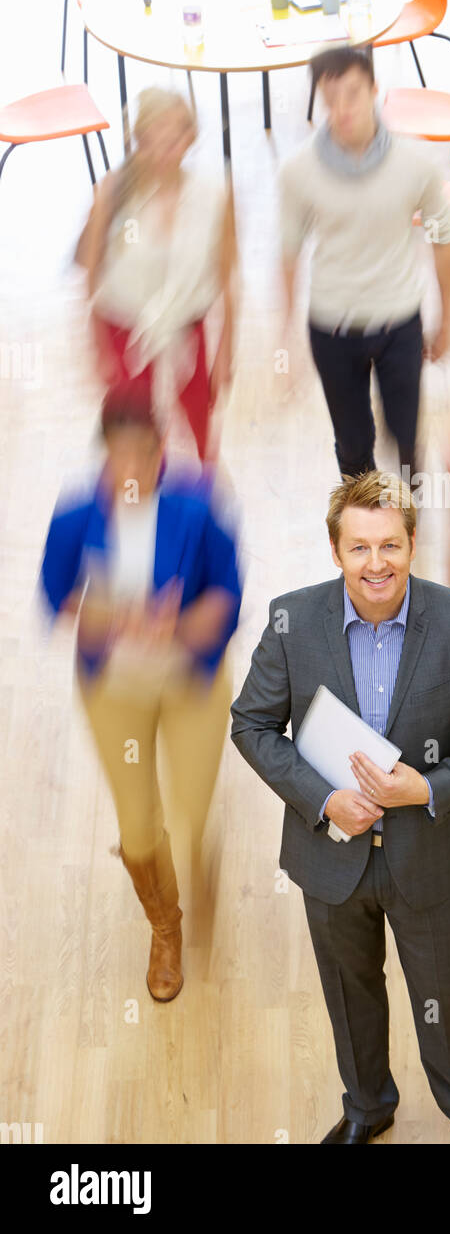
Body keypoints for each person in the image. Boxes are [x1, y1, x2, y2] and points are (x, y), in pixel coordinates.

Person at [231, 470, 450, 1144]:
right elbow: (251, 725)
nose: (377, 564)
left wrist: (425, 789)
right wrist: (325, 800)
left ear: (413, 545)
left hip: (427, 854)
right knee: (349, 992)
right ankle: (368, 1106)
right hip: (327, 857)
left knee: (447, 995)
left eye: (390, 546)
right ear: (336, 551)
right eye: (360, 548)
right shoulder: (291, 621)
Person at [39, 381, 243, 1001]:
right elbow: (54, 595)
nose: (131, 472)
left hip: (189, 681)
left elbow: (227, 596)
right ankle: (166, 924)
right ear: (103, 455)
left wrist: (183, 622)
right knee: (138, 833)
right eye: (117, 457)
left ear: (163, 452)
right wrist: (100, 614)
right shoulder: (77, 514)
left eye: (143, 457)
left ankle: (200, 857)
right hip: (116, 689)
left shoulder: (200, 503)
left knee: (190, 809)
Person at [279, 45, 450, 480]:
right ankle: (362, 531)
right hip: (332, 325)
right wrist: (286, 334)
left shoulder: (416, 163)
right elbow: (288, 253)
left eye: (353, 94)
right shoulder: (297, 171)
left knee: (407, 433)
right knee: (353, 443)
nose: (342, 109)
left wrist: (448, 318)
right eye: (331, 98)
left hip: (399, 320)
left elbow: (442, 241)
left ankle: (408, 520)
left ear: (375, 89)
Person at [75, 87, 236, 462]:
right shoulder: (113, 192)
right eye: (151, 140)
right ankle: (142, 503)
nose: (164, 151)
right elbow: (91, 274)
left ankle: (198, 506)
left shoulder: (213, 196)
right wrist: (96, 345)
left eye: (174, 137)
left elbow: (229, 278)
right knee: (134, 437)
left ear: (190, 136)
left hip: (187, 330)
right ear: (137, 141)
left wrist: (226, 348)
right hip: (123, 331)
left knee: (200, 429)